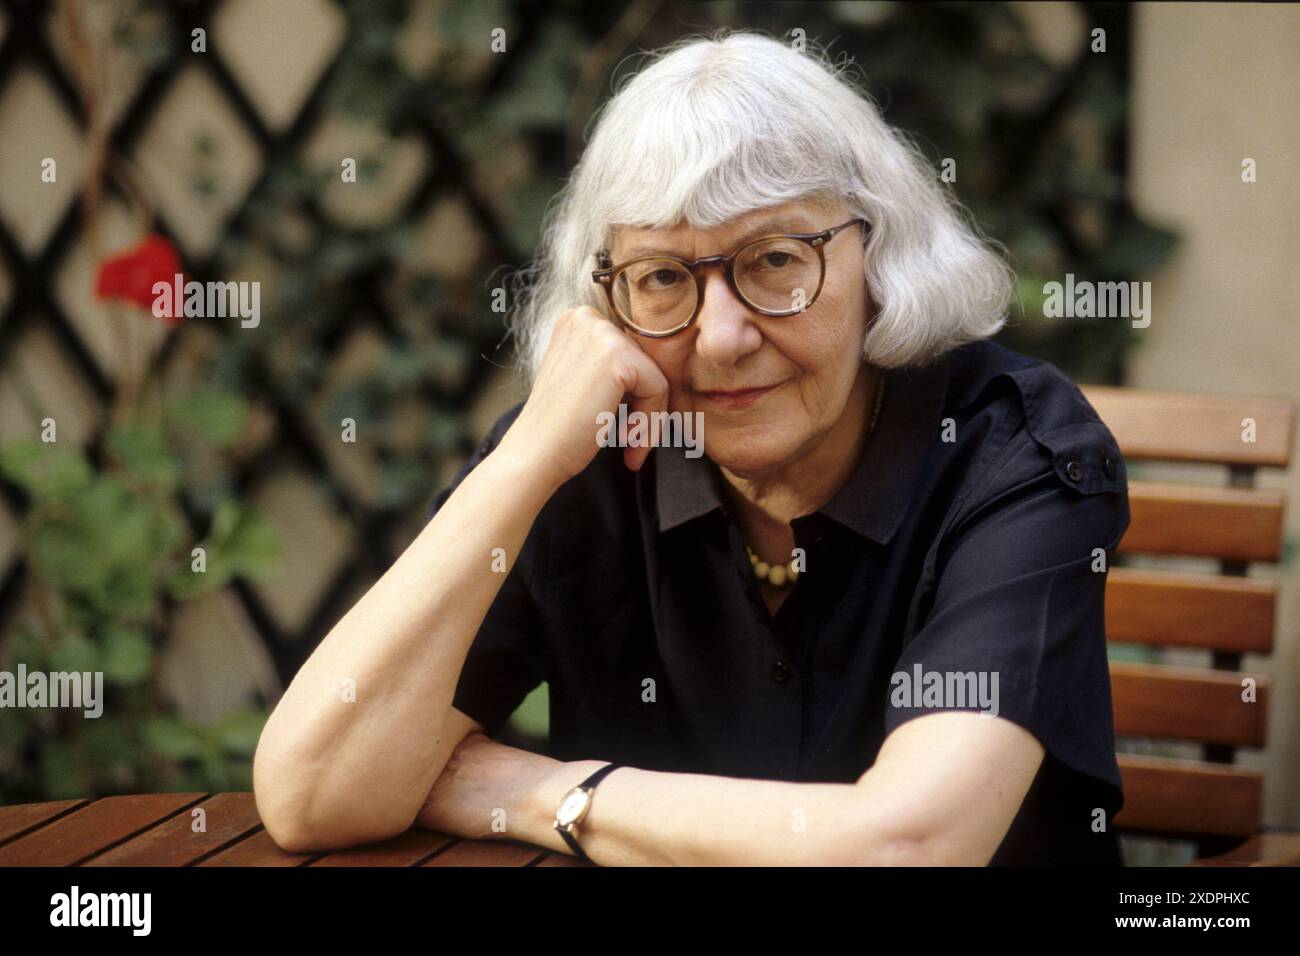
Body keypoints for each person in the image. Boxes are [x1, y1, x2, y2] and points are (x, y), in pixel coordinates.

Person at [253, 30, 1130, 866]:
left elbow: (907, 846)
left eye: (775, 260)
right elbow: (312, 794)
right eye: (664, 276)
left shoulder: (1009, 457)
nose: (721, 338)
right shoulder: (581, 457)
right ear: (606, 303)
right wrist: (524, 458)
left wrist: (537, 793)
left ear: (879, 252)